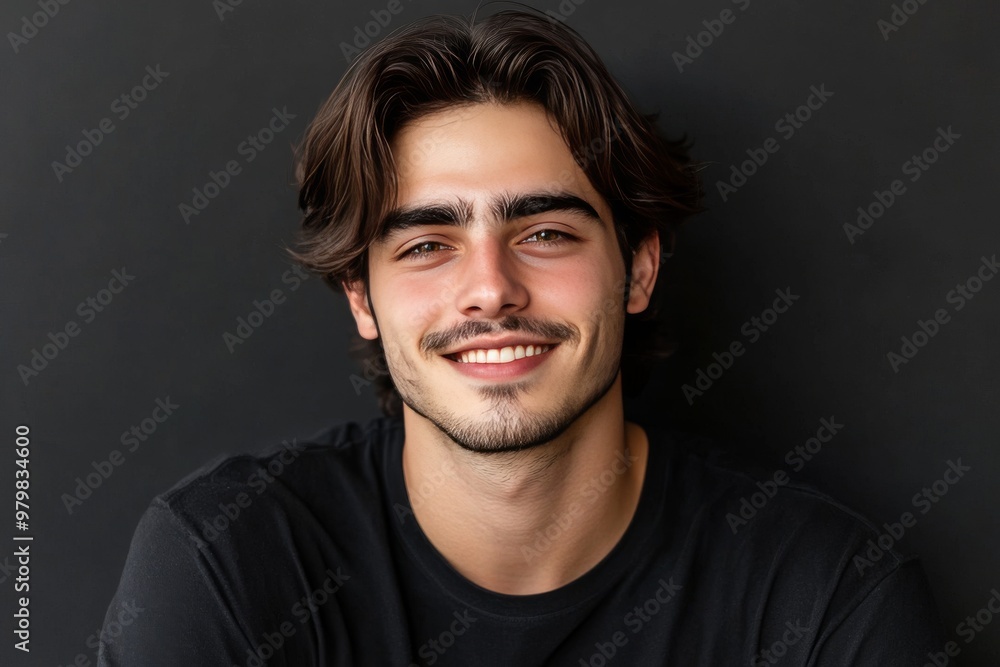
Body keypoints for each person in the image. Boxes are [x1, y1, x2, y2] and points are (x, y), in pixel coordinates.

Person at [98, 9, 946, 666]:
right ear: (361, 296)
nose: (491, 289)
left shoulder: (825, 598)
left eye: (545, 233)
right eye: (428, 245)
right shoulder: (229, 563)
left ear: (639, 269)